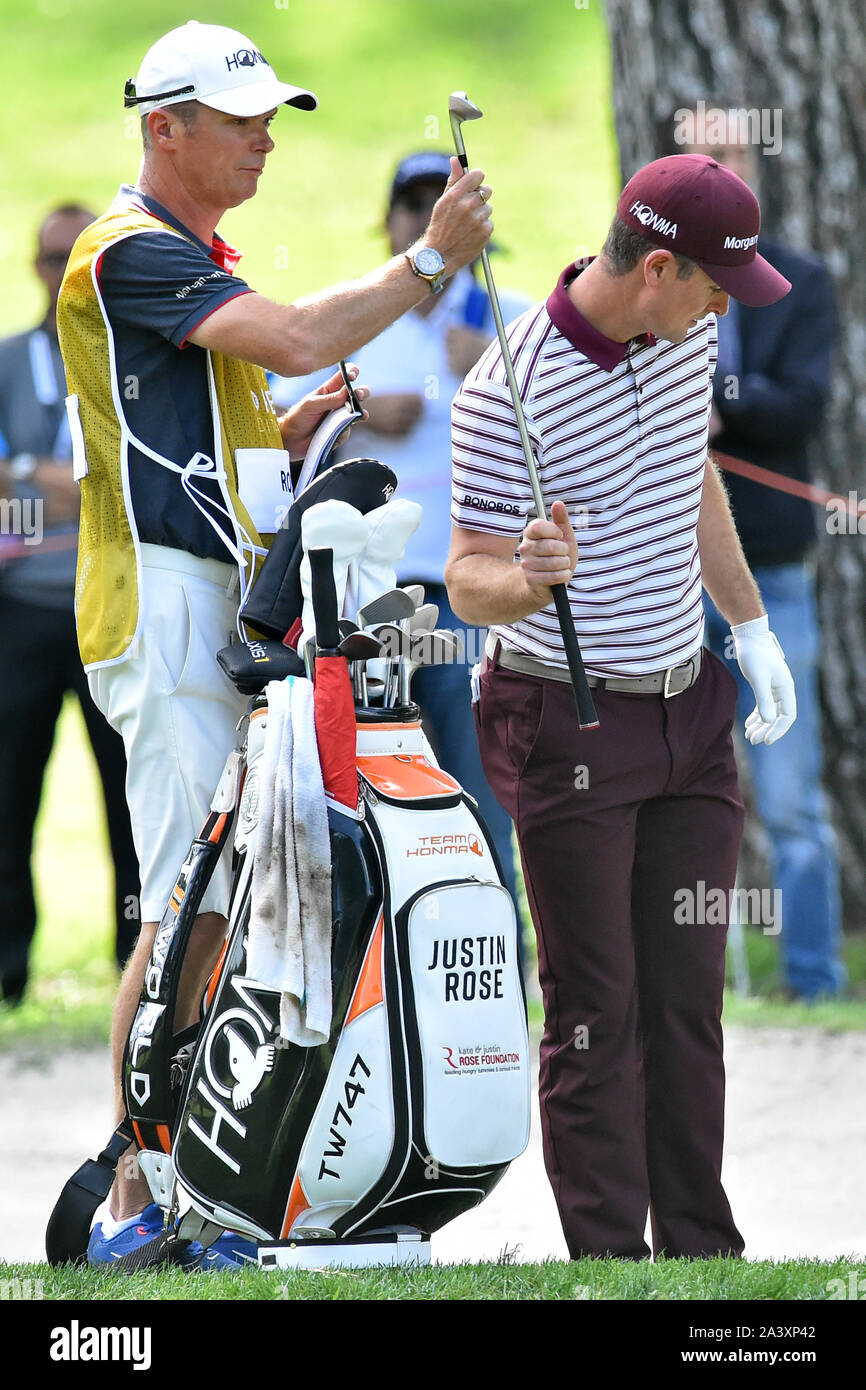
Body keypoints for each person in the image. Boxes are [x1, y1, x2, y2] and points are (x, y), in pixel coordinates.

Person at [57, 20, 492, 1268]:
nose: (262, 138)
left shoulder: (184, 253)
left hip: (205, 601)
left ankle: (189, 1181)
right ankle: (143, 1192)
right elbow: (300, 332)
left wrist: (289, 426)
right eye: (239, 118)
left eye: (269, 117)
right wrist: (427, 261)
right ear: (163, 127)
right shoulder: (127, 249)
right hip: (164, 605)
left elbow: (237, 413)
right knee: (182, 901)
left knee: (216, 900)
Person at [445, 153, 795, 1260]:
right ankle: (610, 1264)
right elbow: (466, 577)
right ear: (656, 267)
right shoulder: (505, 391)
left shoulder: (681, 336)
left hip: (688, 706)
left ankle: (701, 1253)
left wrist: (746, 628)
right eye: (713, 286)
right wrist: (531, 577)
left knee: (685, 1001)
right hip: (562, 717)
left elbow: (690, 474)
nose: (720, 312)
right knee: (597, 1007)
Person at [271, 150, 532, 919]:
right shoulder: (358, 320)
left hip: (469, 595)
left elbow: (571, 435)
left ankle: (497, 966)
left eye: (439, 203)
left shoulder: (510, 317)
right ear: (387, 224)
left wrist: (489, 364)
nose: (425, 218)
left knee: (476, 782)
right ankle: (381, 967)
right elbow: (274, 432)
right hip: (365, 603)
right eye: (412, 204)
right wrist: (353, 405)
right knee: (359, 782)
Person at [675, 110, 844, 1001]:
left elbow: (806, 405)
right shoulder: (657, 278)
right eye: (704, 156)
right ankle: (689, 977)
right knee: (678, 782)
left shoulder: (801, 281)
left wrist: (719, 408)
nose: (724, 168)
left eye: (735, 153)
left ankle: (814, 980)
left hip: (769, 567)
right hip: (671, 571)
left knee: (788, 793)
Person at [0, 206, 140, 1005]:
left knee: (130, 795)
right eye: (56, 258)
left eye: (85, 259)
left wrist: (39, 476)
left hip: (111, 608)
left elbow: (123, 479)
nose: (67, 274)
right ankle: (9, 972)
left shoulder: (129, 362)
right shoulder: (9, 360)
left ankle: (139, 967)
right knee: (12, 794)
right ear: (35, 266)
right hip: (21, 612)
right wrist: (50, 477)